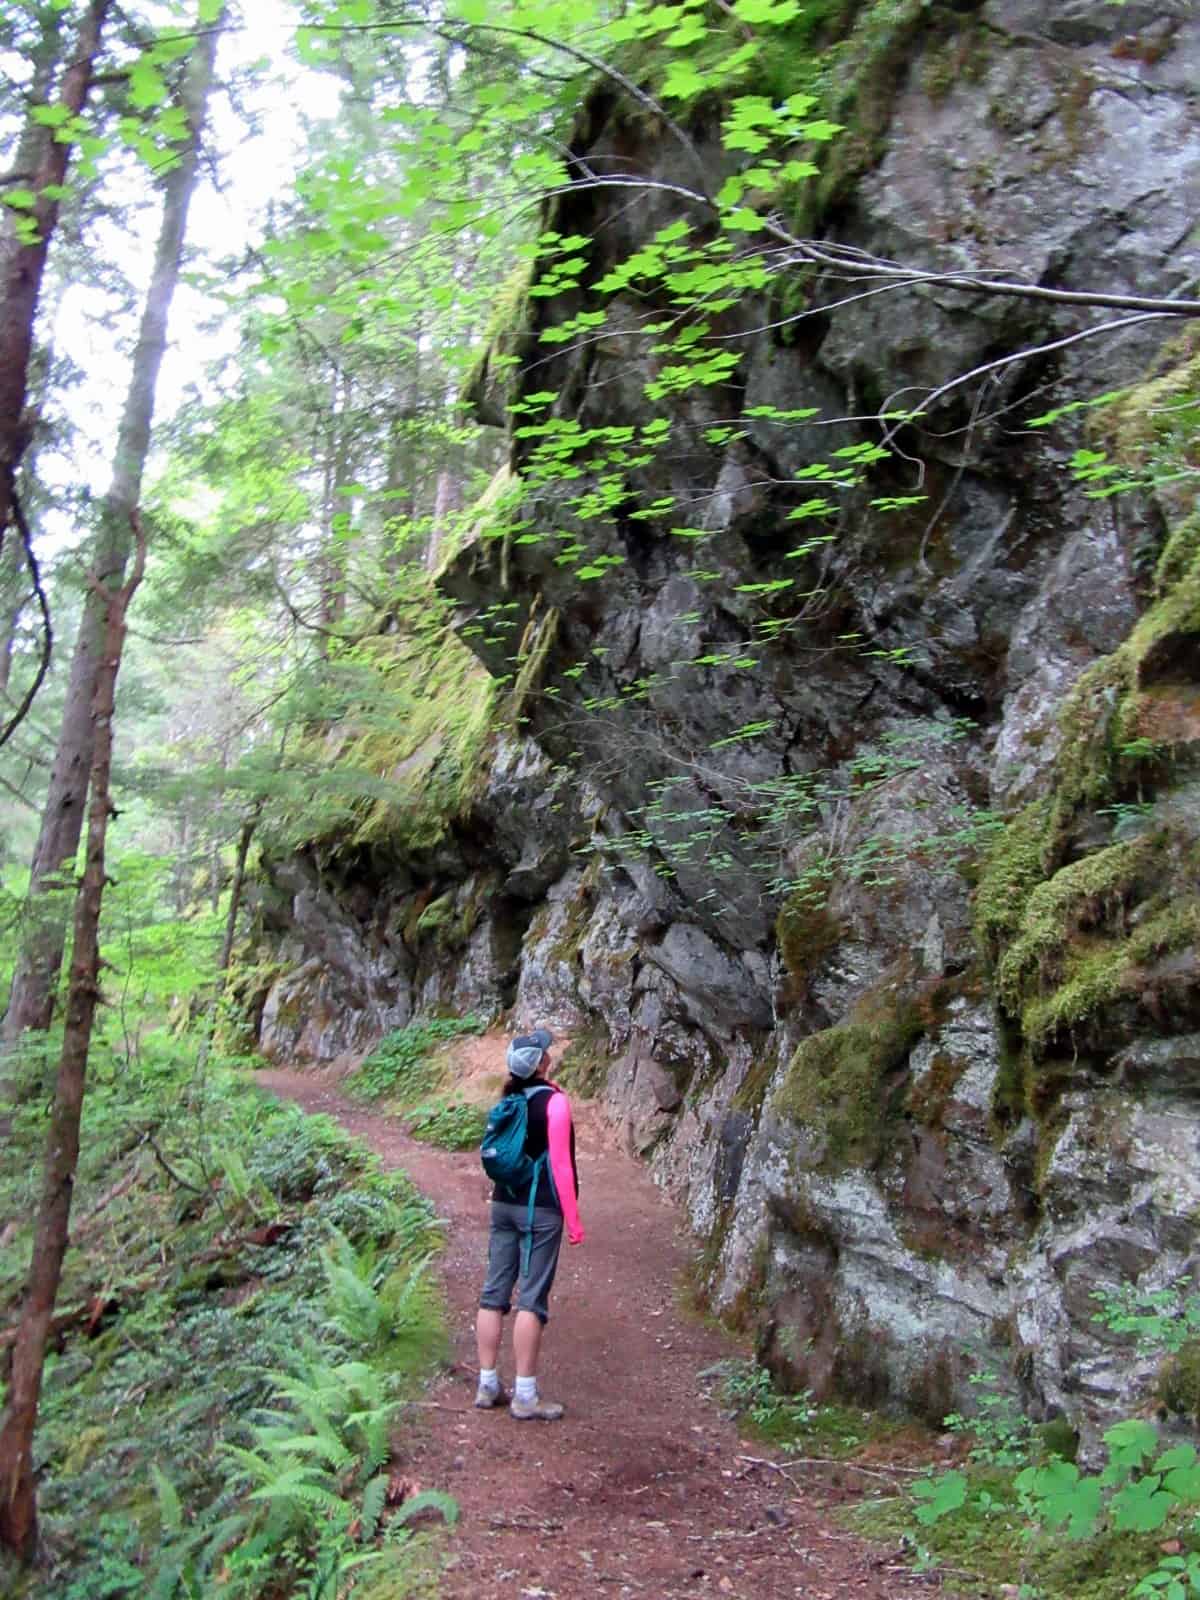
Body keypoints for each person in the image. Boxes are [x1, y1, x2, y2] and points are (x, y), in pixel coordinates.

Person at [475, 1026, 584, 1421]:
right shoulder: (555, 1103)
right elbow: (561, 1167)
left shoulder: (509, 1100)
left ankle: (487, 1384)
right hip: (541, 1211)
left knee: (493, 1294)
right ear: (541, 1064)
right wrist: (573, 1220)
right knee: (531, 1298)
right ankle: (525, 1395)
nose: (549, 1054)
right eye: (545, 1051)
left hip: (503, 1205)